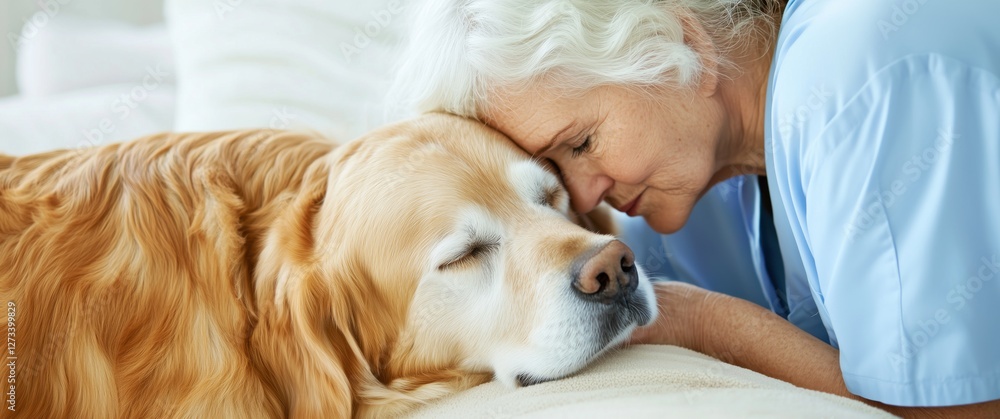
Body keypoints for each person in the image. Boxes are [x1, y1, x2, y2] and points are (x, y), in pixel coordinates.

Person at [390, 0, 1000, 416]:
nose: (582, 199)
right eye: (553, 172)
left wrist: (705, 322)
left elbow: (961, 412)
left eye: (581, 144)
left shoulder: (864, 73)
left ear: (683, 47)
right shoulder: (682, 206)